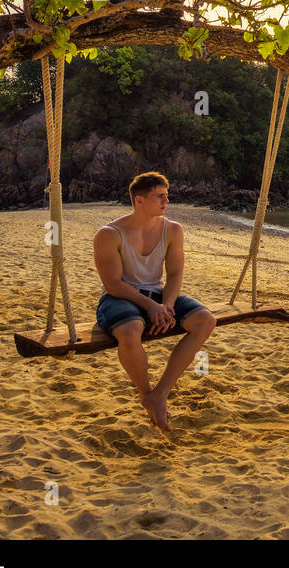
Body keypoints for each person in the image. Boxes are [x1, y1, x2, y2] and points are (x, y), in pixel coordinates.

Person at [92, 172, 215, 431]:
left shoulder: (172, 230)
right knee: (130, 330)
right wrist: (150, 306)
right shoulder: (109, 234)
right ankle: (146, 392)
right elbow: (113, 284)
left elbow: (175, 273)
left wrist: (166, 305)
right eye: (159, 196)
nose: (166, 201)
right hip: (120, 296)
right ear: (139, 200)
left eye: (166, 196)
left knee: (205, 320)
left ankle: (160, 393)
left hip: (158, 294)